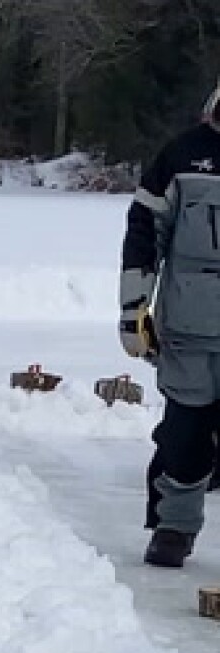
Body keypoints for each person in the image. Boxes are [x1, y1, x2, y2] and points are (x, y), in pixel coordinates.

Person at [122, 74, 220, 567]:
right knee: (187, 434)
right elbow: (143, 231)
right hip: (190, 331)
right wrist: (132, 309)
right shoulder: (182, 156)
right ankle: (175, 526)